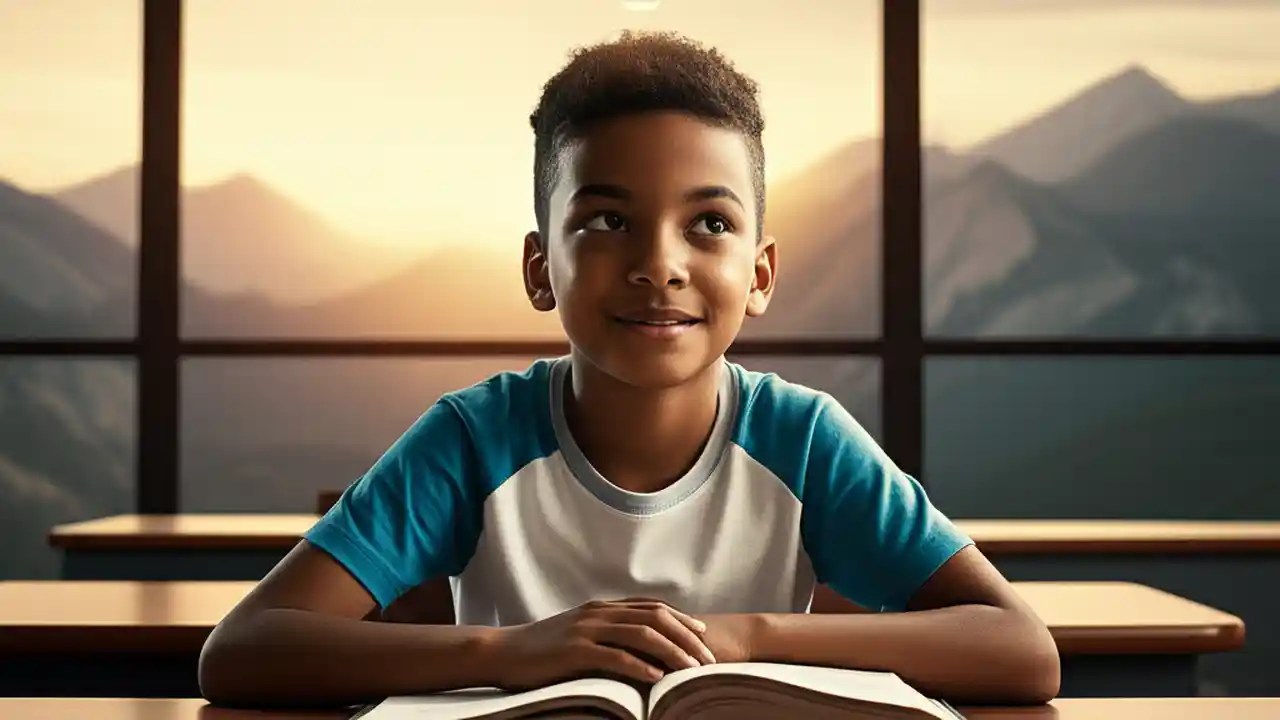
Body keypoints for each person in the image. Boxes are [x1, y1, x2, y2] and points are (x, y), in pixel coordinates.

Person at [199, 31, 1059, 708]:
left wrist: (745, 639)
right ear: (542, 269)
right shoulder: (472, 437)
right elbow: (243, 649)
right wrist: (513, 651)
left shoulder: (804, 441)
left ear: (759, 275)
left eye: (709, 225)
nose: (660, 265)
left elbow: (1021, 651)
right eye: (608, 222)